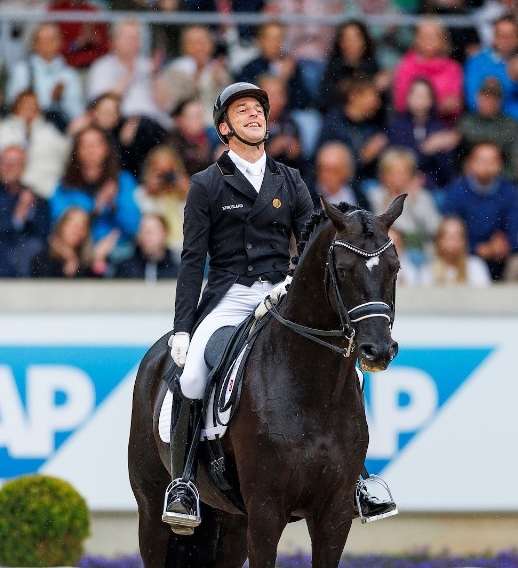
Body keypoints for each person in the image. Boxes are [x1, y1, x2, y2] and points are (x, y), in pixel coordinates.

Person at [163, 81, 396, 531]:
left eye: (258, 109)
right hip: (230, 297)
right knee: (192, 374)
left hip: (280, 293)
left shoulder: (288, 179)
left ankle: (359, 480)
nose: (254, 115)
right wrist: (182, 327)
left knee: (348, 373)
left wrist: (291, 283)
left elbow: (310, 241)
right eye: (242, 110)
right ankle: (185, 481)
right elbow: (193, 260)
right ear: (223, 128)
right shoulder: (207, 185)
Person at [49, 126, 141, 273]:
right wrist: (96, 209)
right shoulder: (65, 186)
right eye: (85, 145)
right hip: (77, 252)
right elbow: (61, 224)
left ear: (106, 148)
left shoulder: (123, 181)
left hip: (116, 252)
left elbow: (133, 226)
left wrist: (112, 204)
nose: (91, 150)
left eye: (96, 144)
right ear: (76, 151)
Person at [442, 141, 518, 281]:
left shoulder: (510, 191)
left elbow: (515, 229)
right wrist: (477, 248)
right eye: (481, 160)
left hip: (503, 259)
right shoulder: (456, 191)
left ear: (500, 164)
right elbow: (450, 230)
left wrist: (502, 245)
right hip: (466, 257)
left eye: (492, 160)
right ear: (470, 163)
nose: (486, 165)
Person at [0, 145, 51, 278]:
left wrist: (29, 212)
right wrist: (17, 219)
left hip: (25, 258)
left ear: (24, 167)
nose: (9, 168)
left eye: (14, 163)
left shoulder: (35, 199)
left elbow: (43, 235)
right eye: (5, 162)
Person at [463, 15, 518, 130]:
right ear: (494, 37)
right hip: (485, 126)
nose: (506, 40)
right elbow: (473, 102)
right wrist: (505, 85)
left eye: (511, 36)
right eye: (501, 35)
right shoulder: (477, 62)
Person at [0, 90, 71, 200]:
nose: (29, 109)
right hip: (13, 190)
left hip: (46, 190)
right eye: (25, 105)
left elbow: (65, 153)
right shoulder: (5, 129)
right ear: (17, 106)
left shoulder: (49, 131)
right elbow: (3, 155)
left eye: (33, 105)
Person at [6, 24, 85, 131]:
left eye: (51, 40)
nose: (47, 44)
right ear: (34, 44)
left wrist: (60, 101)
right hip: (28, 128)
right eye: (42, 40)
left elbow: (77, 112)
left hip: (59, 129)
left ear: (60, 43)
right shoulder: (22, 70)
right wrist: (49, 101)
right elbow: (14, 105)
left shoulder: (69, 74)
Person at [391, 19, 464, 122]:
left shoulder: (453, 68)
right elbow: (400, 103)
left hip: (443, 124)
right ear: (417, 39)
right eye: (424, 36)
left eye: (433, 36)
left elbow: (455, 104)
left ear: (443, 40)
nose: (428, 40)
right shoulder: (406, 66)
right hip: (411, 123)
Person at [457, 77, 518, 179]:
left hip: (502, 183)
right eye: (485, 96)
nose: (489, 101)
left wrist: (492, 175)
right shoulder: (464, 123)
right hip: (468, 181)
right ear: (477, 97)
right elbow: (456, 160)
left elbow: (517, 161)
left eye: (494, 98)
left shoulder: (511, 126)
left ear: (500, 101)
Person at [49, 0, 110, 70]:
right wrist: (77, 43)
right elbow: (50, 48)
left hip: (93, 67)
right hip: (63, 68)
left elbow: (106, 48)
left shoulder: (93, 11)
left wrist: (94, 39)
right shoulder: (53, 12)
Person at [34, 206, 100, 278]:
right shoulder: (43, 259)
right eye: (72, 224)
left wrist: (72, 260)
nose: (77, 230)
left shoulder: (87, 262)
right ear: (62, 226)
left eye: (82, 225)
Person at [428, 216, 490, 287]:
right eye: (446, 237)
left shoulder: (476, 267)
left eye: (456, 237)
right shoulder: (429, 269)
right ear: (439, 241)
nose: (451, 242)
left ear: (463, 241)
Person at [115, 213, 181, 280]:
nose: (146, 237)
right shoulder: (126, 267)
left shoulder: (177, 267)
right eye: (142, 231)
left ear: (165, 234)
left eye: (150, 232)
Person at [313, 140, 364, 206]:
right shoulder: (307, 197)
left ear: (346, 171)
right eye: (321, 169)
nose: (325, 175)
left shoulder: (358, 196)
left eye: (333, 171)